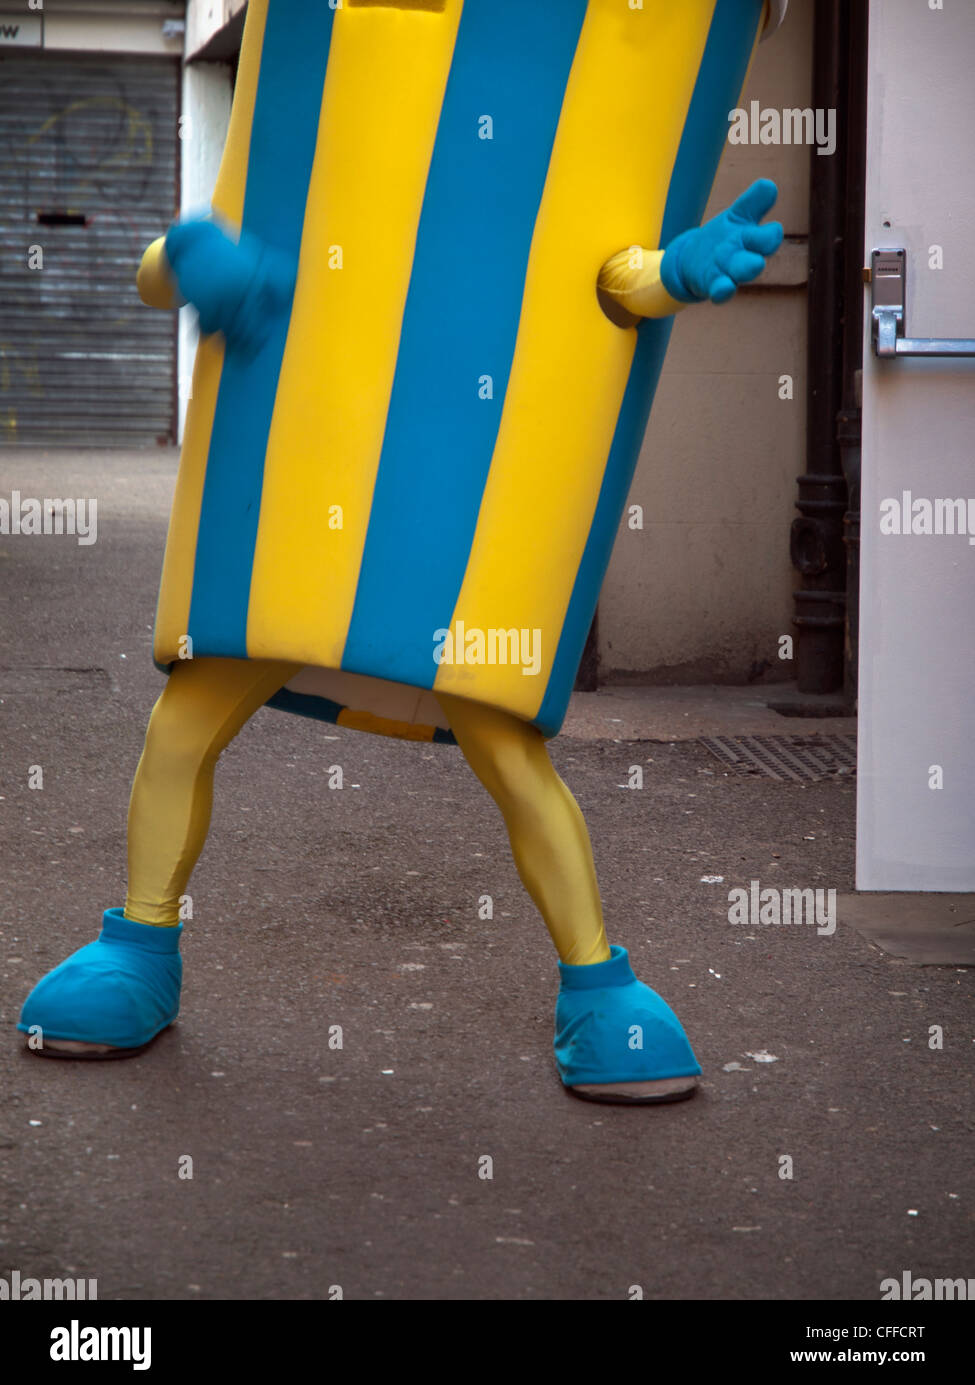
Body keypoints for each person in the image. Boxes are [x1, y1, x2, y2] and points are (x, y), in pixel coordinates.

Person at [19, 0, 787, 1102]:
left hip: (463, 501)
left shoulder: (562, 123)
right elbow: (177, 259)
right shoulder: (309, 105)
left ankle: (598, 983)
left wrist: (683, 267)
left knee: (506, 743)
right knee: (187, 718)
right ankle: (139, 947)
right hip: (294, 486)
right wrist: (197, 265)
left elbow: (613, 278)